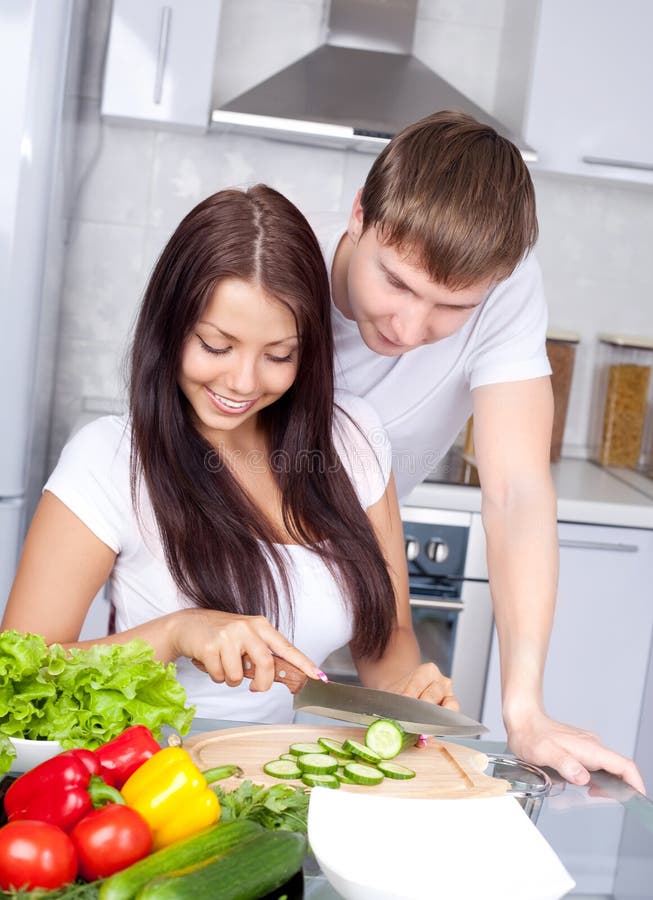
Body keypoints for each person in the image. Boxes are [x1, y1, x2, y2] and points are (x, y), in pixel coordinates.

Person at [2, 185, 457, 724]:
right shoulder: (108, 461)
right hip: (156, 788)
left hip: (284, 788)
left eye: (279, 355)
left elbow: (389, 637)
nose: (242, 382)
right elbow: (18, 682)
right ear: (170, 327)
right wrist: (175, 633)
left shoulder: (352, 437)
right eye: (216, 346)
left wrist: (411, 697)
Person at [316, 110, 645, 792]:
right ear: (358, 216)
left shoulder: (506, 283)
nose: (409, 326)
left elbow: (517, 492)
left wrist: (523, 708)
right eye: (396, 283)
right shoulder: (291, 264)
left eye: (450, 307)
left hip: (362, 562)